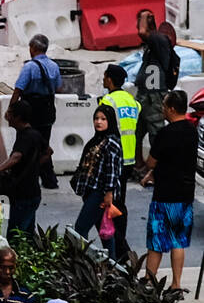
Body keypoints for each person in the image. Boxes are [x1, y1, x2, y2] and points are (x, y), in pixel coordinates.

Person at [143, 90, 195, 289]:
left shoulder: (165, 133)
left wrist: (152, 171)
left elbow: (151, 161)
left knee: (156, 240)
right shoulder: (191, 131)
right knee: (178, 241)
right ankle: (176, 283)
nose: (162, 109)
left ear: (172, 109)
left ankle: (149, 281)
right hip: (185, 194)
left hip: (164, 195)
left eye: (164, 106)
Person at [70, 104, 123, 257]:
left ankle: (81, 261)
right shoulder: (98, 140)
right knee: (104, 231)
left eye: (103, 119)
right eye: (96, 118)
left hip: (100, 193)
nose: (99, 122)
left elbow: (112, 170)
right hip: (91, 191)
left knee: (80, 228)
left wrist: (108, 193)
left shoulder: (111, 142)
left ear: (110, 121)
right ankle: (112, 264)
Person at [10, 34, 61, 189]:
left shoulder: (30, 67)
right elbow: (59, 87)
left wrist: (11, 109)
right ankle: (49, 179)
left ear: (33, 48)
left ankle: (23, 177)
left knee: (26, 144)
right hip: (47, 110)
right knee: (43, 143)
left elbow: (18, 90)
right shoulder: (54, 66)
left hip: (30, 111)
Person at [99, 64, 140, 259]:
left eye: (105, 76)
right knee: (120, 201)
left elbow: (102, 129)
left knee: (110, 203)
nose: (103, 79)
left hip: (113, 159)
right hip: (129, 159)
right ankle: (120, 243)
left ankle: (120, 248)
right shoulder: (132, 102)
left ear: (110, 80)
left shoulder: (108, 101)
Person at [0, 101, 45, 235]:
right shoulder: (34, 134)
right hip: (32, 193)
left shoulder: (25, 136)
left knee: (15, 235)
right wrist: (33, 166)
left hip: (24, 195)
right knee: (28, 233)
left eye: (10, 113)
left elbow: (16, 157)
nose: (7, 116)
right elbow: (48, 151)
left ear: (17, 117)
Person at [133, 9, 179, 174]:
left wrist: (145, 14)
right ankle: (139, 165)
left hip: (152, 95)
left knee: (155, 134)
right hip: (148, 94)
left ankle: (158, 169)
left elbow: (142, 31)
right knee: (138, 132)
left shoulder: (159, 40)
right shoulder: (157, 45)